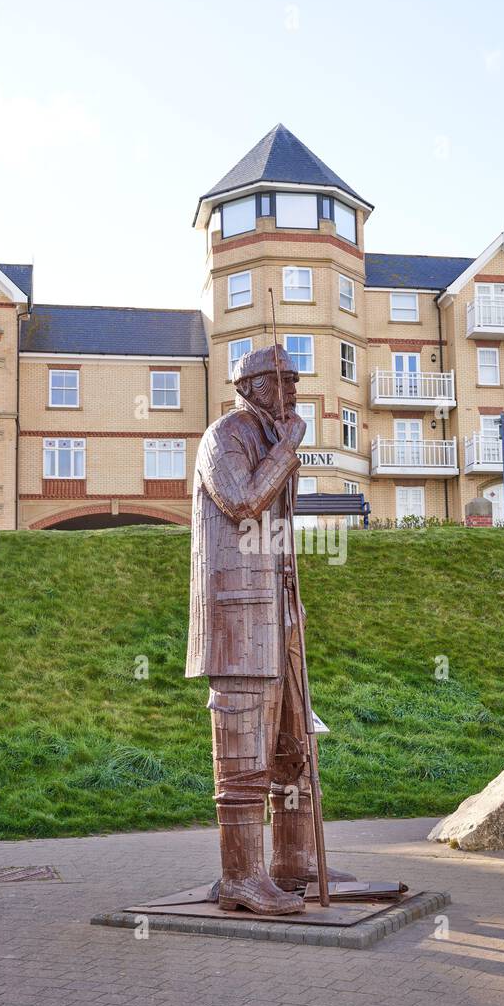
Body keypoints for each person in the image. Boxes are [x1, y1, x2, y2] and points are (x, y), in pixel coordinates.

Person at [185, 344, 355, 914]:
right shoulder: (225, 436)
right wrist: (287, 449)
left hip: (280, 616)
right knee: (242, 750)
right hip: (237, 617)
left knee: (295, 745)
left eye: (296, 379)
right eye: (282, 380)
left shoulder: (271, 438)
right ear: (252, 385)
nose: (293, 390)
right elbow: (242, 501)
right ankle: (240, 876)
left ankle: (292, 863)